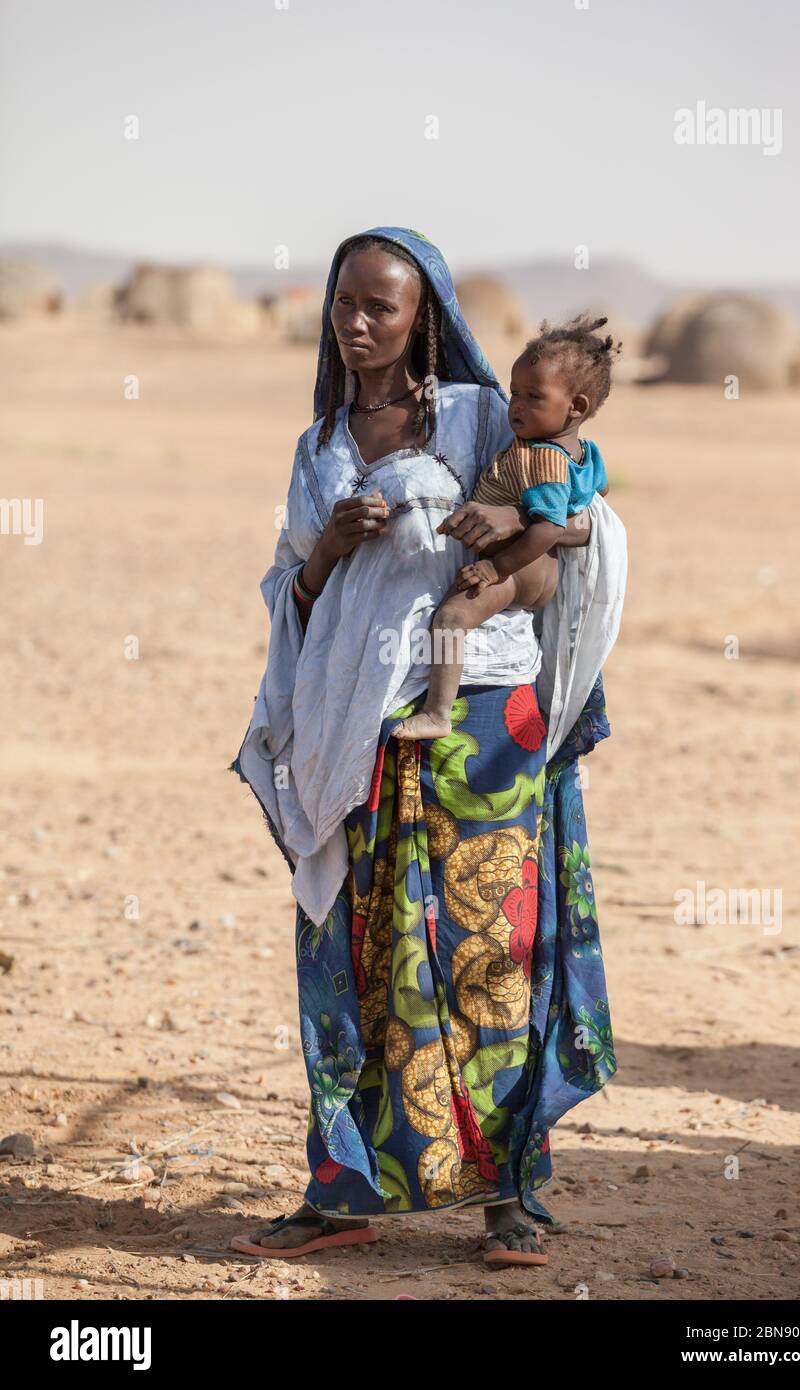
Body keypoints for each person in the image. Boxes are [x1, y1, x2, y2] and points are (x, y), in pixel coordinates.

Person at [229, 227, 627, 1268]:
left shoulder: (482, 416)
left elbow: (551, 556)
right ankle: (339, 1191)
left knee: (489, 961)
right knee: (353, 960)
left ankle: (511, 1201)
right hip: (351, 734)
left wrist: (485, 580)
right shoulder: (316, 447)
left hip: (480, 721)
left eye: (382, 307)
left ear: (425, 318)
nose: (357, 324)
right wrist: (325, 551)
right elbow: (292, 598)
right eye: (343, 303)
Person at [392, 315, 618, 741]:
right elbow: (598, 489)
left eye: (534, 397)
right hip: (533, 569)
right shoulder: (582, 451)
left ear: (577, 407)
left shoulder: (545, 459)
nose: (516, 405)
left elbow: (549, 529)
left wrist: (496, 570)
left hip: (520, 568)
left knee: (451, 617)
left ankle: (438, 712)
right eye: (514, 393)